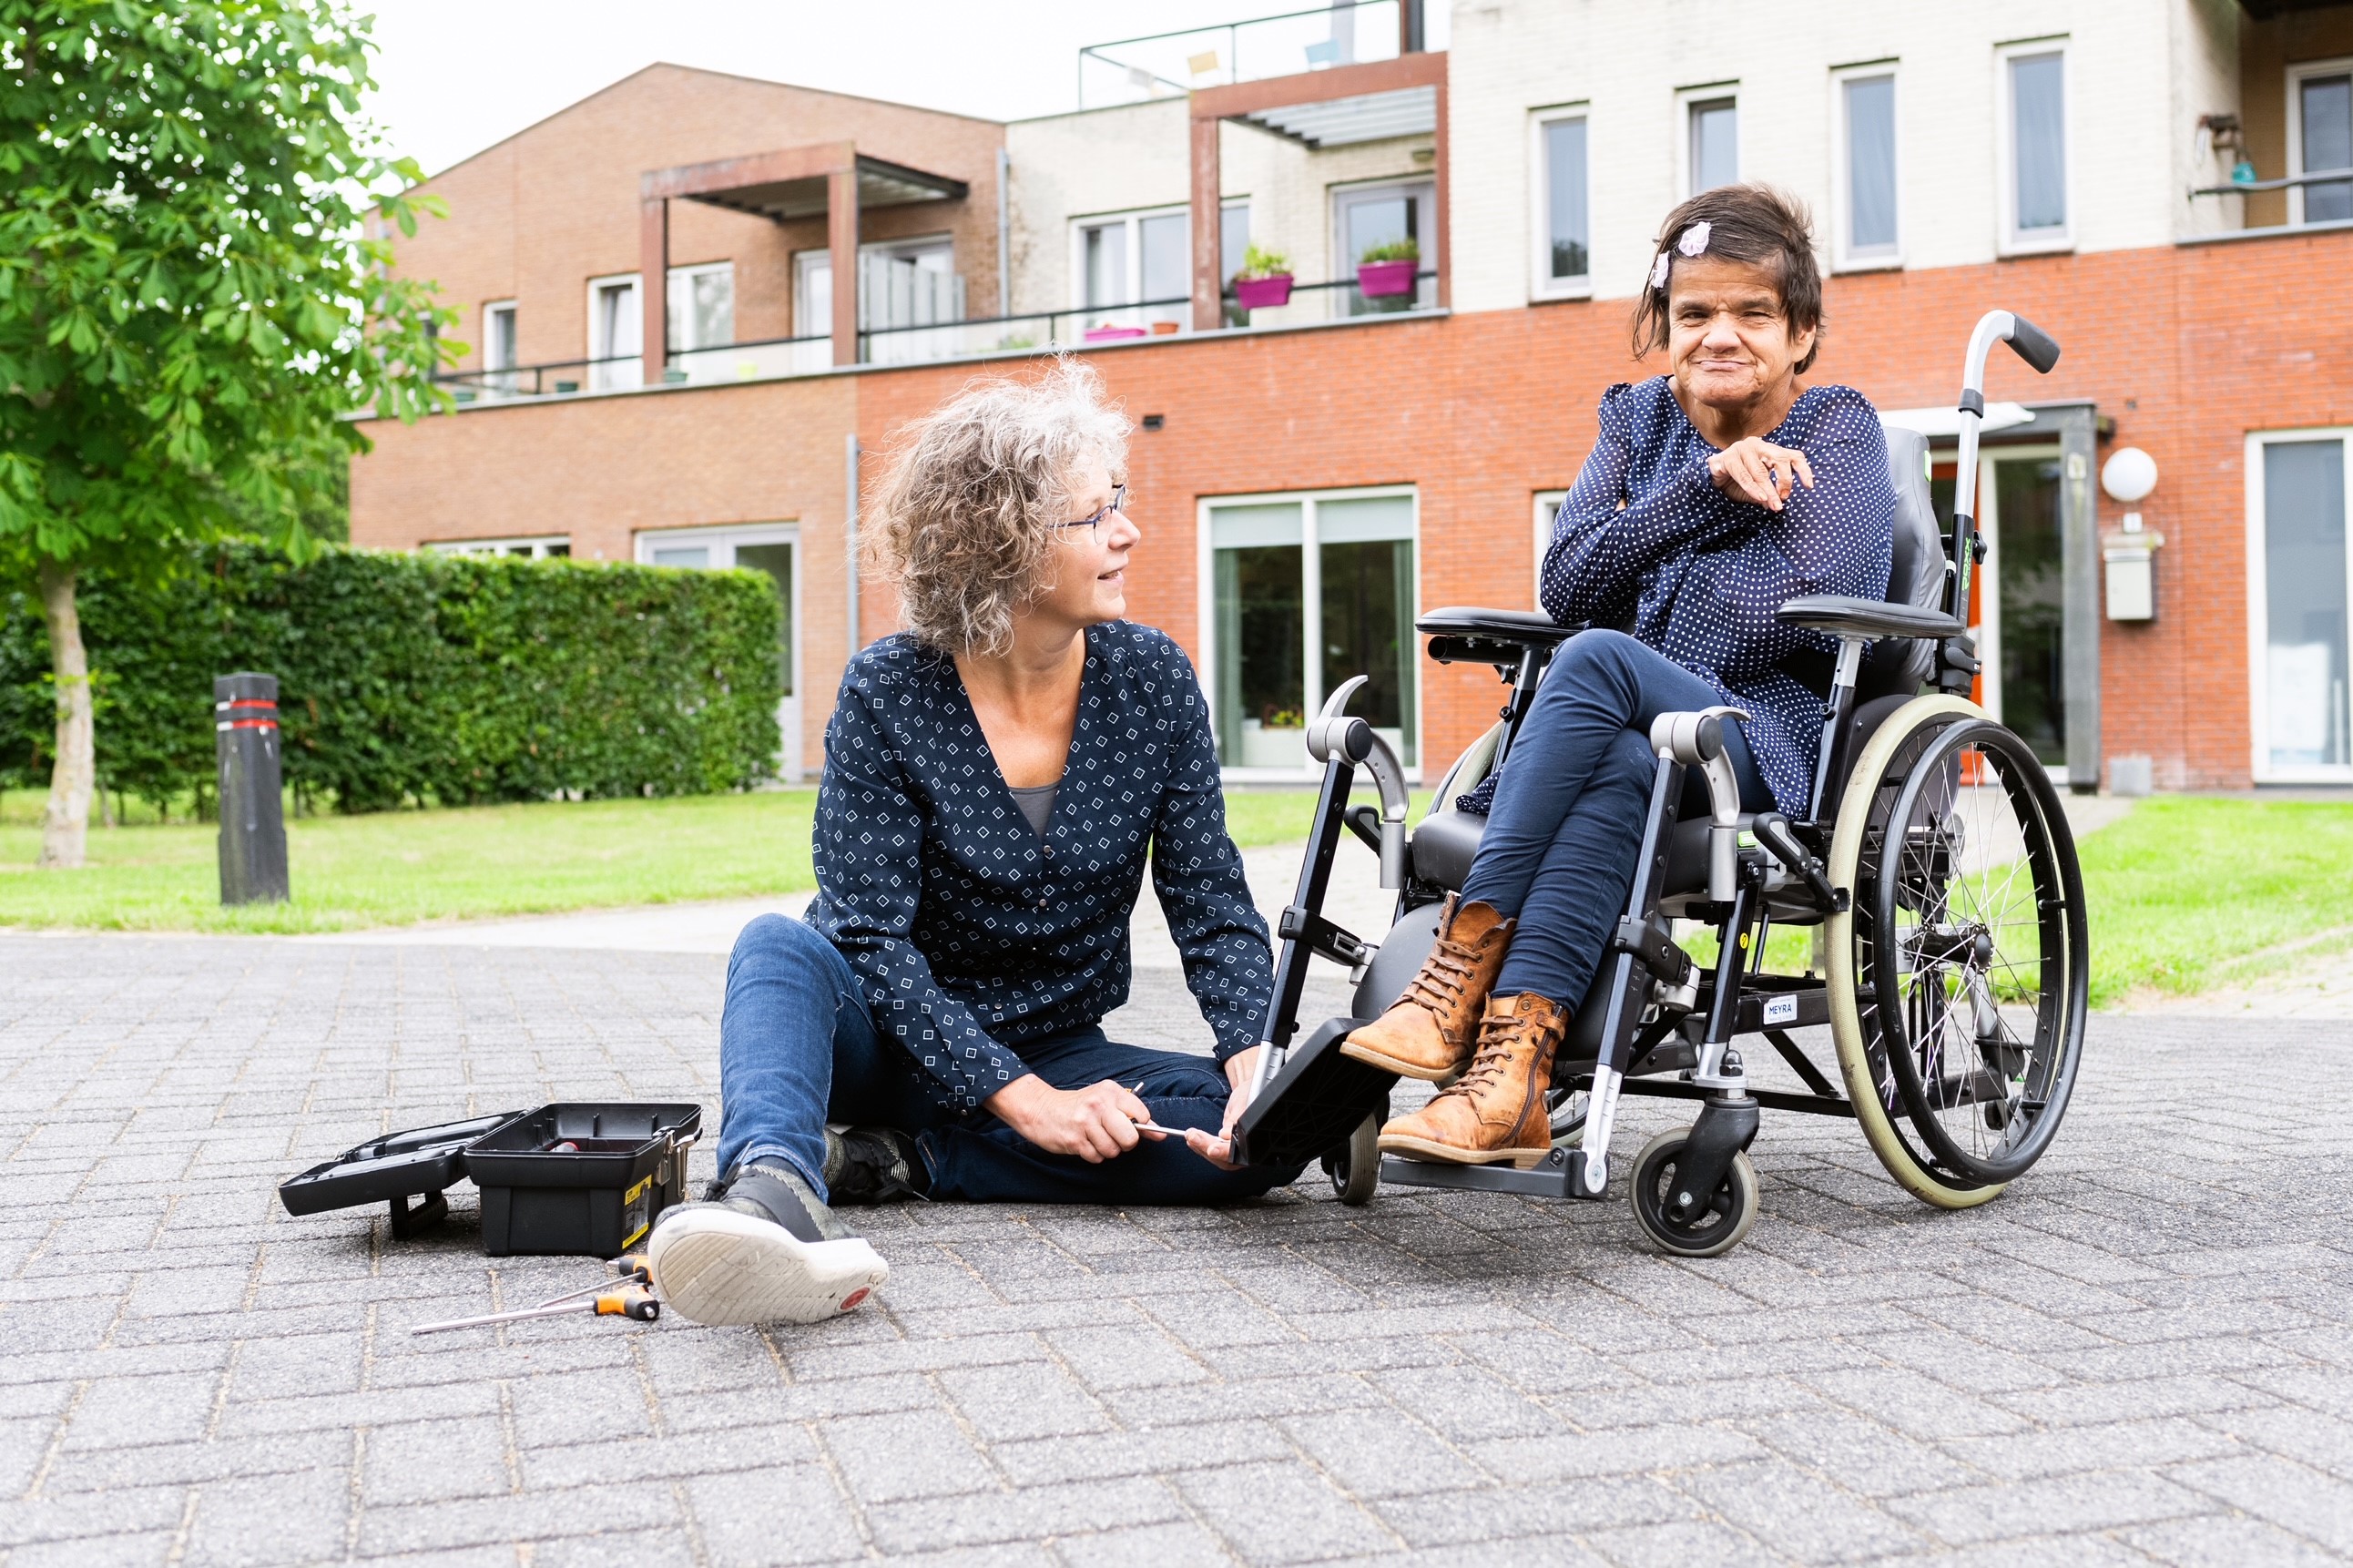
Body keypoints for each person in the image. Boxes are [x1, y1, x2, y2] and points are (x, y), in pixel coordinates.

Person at [649, 362, 1301, 1328]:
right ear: (999, 546)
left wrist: (1253, 1053)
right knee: (777, 949)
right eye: (1093, 518)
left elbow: (1209, 900)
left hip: (1060, 1042)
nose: (1126, 533)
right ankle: (774, 1188)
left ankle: (899, 1161)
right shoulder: (888, 691)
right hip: (885, 1040)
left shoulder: (1152, 679)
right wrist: (1021, 1101)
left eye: (1118, 504)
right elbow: (869, 939)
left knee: (1264, 1135)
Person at [1341, 184, 1896, 1166]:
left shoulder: (1838, 430)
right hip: (1623, 748)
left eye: (1752, 314)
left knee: (1600, 658)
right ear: (1665, 326)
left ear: (1801, 333)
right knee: (1620, 759)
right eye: (1694, 315)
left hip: (1755, 739)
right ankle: (1507, 1085)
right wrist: (1705, 489)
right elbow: (1566, 579)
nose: (1719, 335)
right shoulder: (1637, 423)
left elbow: (1804, 598)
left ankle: (1449, 985)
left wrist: (1642, 590)